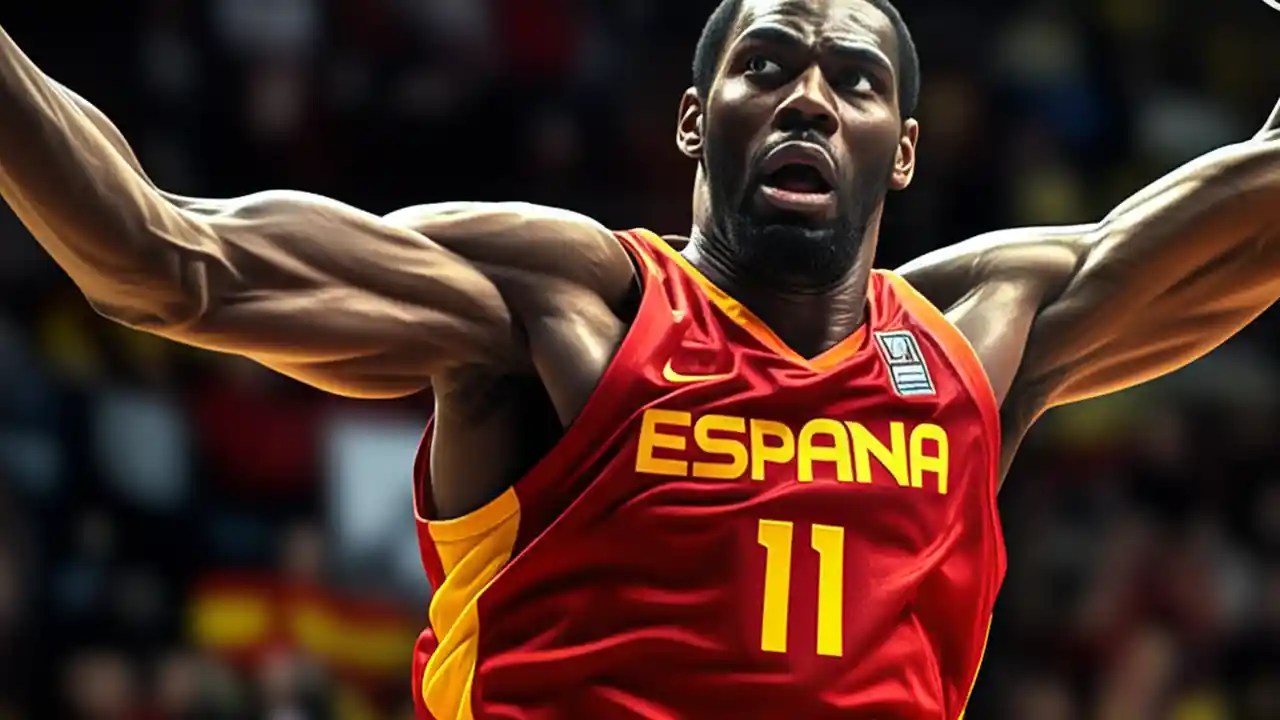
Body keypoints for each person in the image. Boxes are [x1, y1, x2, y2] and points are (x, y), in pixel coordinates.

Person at [1, 0, 1278, 717]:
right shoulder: (569, 307)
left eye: (852, 78)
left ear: (898, 147)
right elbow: (166, 262)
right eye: (765, 64)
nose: (807, 98)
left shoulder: (975, 336)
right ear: (691, 120)